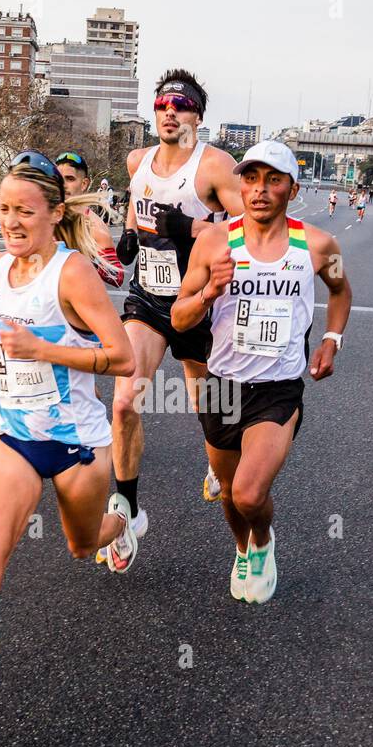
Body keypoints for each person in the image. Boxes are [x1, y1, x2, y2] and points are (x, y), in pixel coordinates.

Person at [0, 150, 139, 747]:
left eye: (25, 211)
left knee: (81, 544)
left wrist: (45, 353)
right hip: (15, 438)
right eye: (3, 210)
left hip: (76, 445)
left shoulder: (73, 275)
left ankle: (123, 521)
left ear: (53, 214)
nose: (11, 222)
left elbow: (121, 358)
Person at [171, 140, 352, 603]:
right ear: (241, 185)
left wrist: (332, 339)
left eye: (273, 180)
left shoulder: (316, 245)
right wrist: (210, 291)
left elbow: (340, 291)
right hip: (219, 387)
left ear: (291, 189)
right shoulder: (214, 242)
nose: (260, 190)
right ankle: (242, 549)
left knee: (251, 495)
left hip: (277, 389)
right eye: (251, 179)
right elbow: (179, 317)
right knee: (229, 495)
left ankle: (265, 543)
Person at [109, 68, 245, 536]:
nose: (171, 111)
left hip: (199, 301)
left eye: (181, 104)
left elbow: (253, 232)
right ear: (154, 111)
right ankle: (127, 508)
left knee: (206, 405)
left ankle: (216, 458)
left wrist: (187, 228)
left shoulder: (214, 167)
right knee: (126, 401)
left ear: (197, 115)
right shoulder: (136, 160)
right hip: (146, 298)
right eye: (164, 104)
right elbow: (136, 199)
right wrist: (129, 233)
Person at [56, 150, 123, 288]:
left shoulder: (95, 226)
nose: (63, 184)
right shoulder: (45, 216)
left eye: (70, 179)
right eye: (58, 179)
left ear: (84, 184)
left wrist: (87, 258)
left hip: (75, 303)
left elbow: (117, 277)